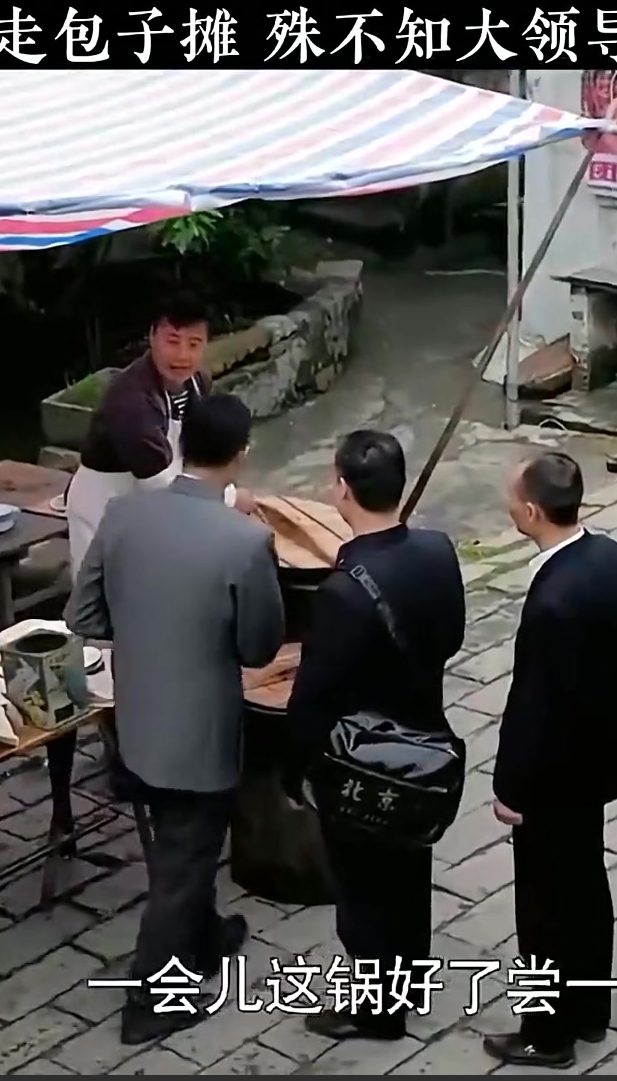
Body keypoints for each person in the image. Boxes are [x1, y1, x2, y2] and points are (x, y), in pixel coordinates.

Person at [66, 393, 286, 1046]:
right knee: (186, 857)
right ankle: (152, 1000)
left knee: (178, 843)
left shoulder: (124, 514)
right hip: (201, 729)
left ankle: (205, 934)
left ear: (181, 442)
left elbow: (84, 616)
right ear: (242, 454)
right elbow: (259, 648)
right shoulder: (246, 541)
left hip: (137, 719)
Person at [285, 430, 466, 1042]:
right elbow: (454, 636)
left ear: (341, 488)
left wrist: (295, 770)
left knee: (362, 888)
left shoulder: (342, 592)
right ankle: (410, 978)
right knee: (410, 868)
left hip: (363, 757)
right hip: (425, 735)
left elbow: (314, 695)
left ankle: (375, 1010)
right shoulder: (438, 551)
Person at [484, 453, 617, 1069]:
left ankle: (546, 1033)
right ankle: (590, 1008)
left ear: (530, 511)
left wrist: (510, 785)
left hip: (551, 772)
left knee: (543, 906)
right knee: (586, 887)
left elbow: (532, 702)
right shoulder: (607, 556)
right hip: (594, 757)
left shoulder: (551, 601)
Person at [64, 295, 256, 579]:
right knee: (103, 598)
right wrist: (228, 497)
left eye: (194, 344)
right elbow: (159, 483)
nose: (182, 356)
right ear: (152, 336)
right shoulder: (131, 401)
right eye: (172, 341)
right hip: (106, 509)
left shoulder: (197, 382)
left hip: (157, 506)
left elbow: (197, 453)